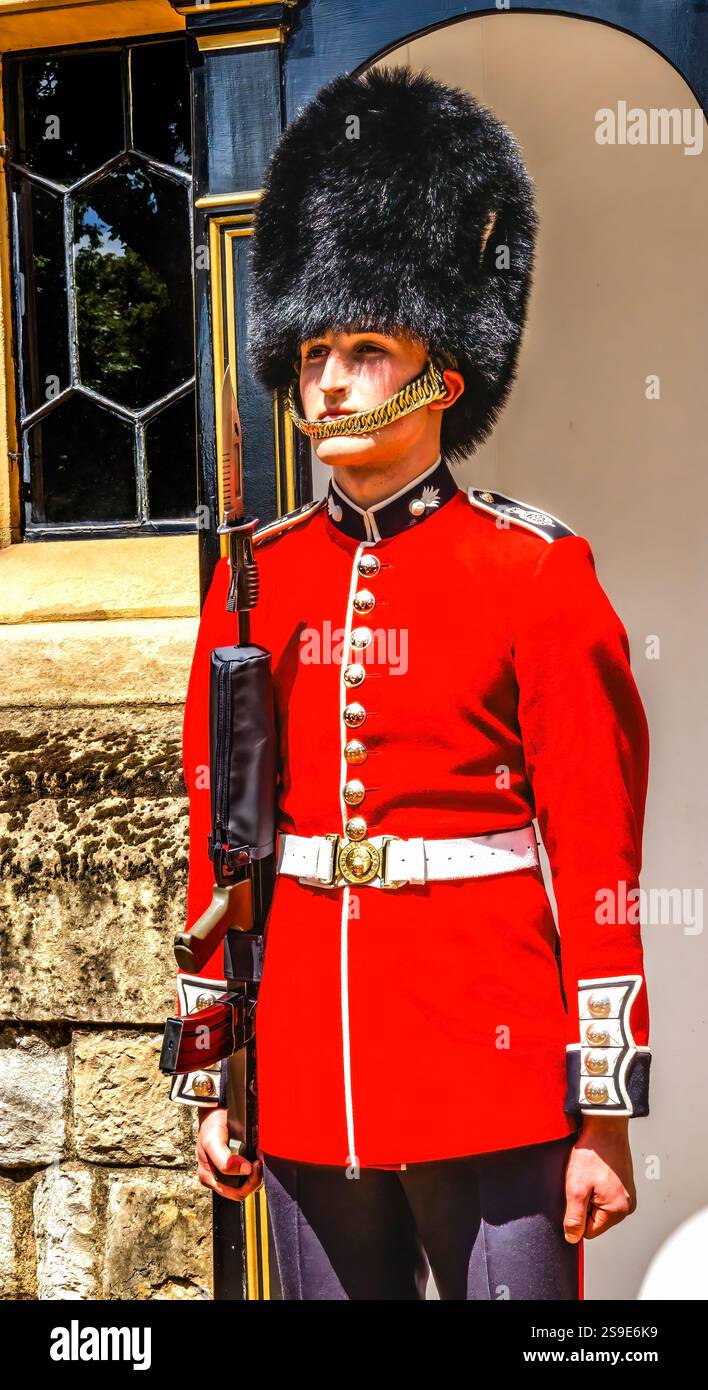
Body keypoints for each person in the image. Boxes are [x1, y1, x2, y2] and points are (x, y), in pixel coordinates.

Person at [180, 66, 652, 1300]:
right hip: (307, 1072)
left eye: (366, 347)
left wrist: (602, 1108)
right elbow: (217, 848)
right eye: (317, 348)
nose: (329, 379)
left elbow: (596, 849)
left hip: (491, 1068)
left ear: (441, 365)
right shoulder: (257, 583)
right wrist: (212, 1072)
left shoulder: (532, 570)